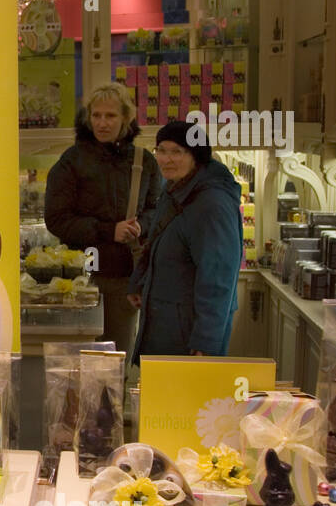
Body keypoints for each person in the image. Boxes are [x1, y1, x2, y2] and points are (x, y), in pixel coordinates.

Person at [44, 84, 162, 358]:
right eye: (96, 115)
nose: (102, 123)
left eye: (110, 116)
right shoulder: (72, 161)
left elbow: (158, 210)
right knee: (76, 369)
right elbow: (56, 219)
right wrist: (109, 231)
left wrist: (140, 225)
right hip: (79, 278)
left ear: (126, 118)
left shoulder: (144, 162)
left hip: (125, 278)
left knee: (115, 363)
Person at [128, 120, 244, 362]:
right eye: (161, 150)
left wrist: (206, 341)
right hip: (166, 321)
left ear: (196, 157)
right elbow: (157, 240)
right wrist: (140, 281)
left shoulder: (213, 204)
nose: (166, 159)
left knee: (188, 398)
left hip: (189, 332)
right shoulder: (175, 189)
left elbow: (219, 277)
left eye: (177, 152)